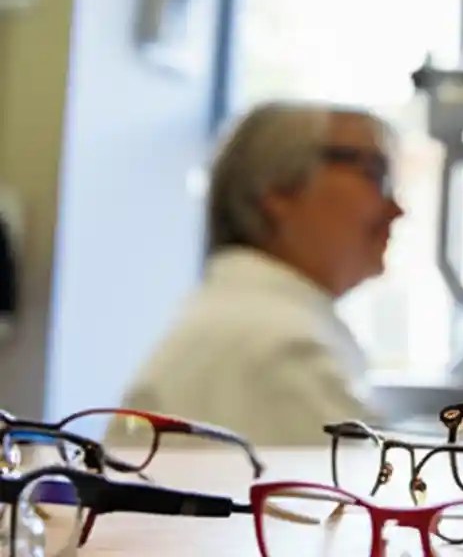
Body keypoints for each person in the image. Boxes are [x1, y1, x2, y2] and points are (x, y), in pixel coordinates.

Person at [120, 102, 404, 445]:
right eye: (375, 174)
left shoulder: (252, 321)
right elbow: (356, 491)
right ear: (279, 187)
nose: (396, 210)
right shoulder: (276, 347)